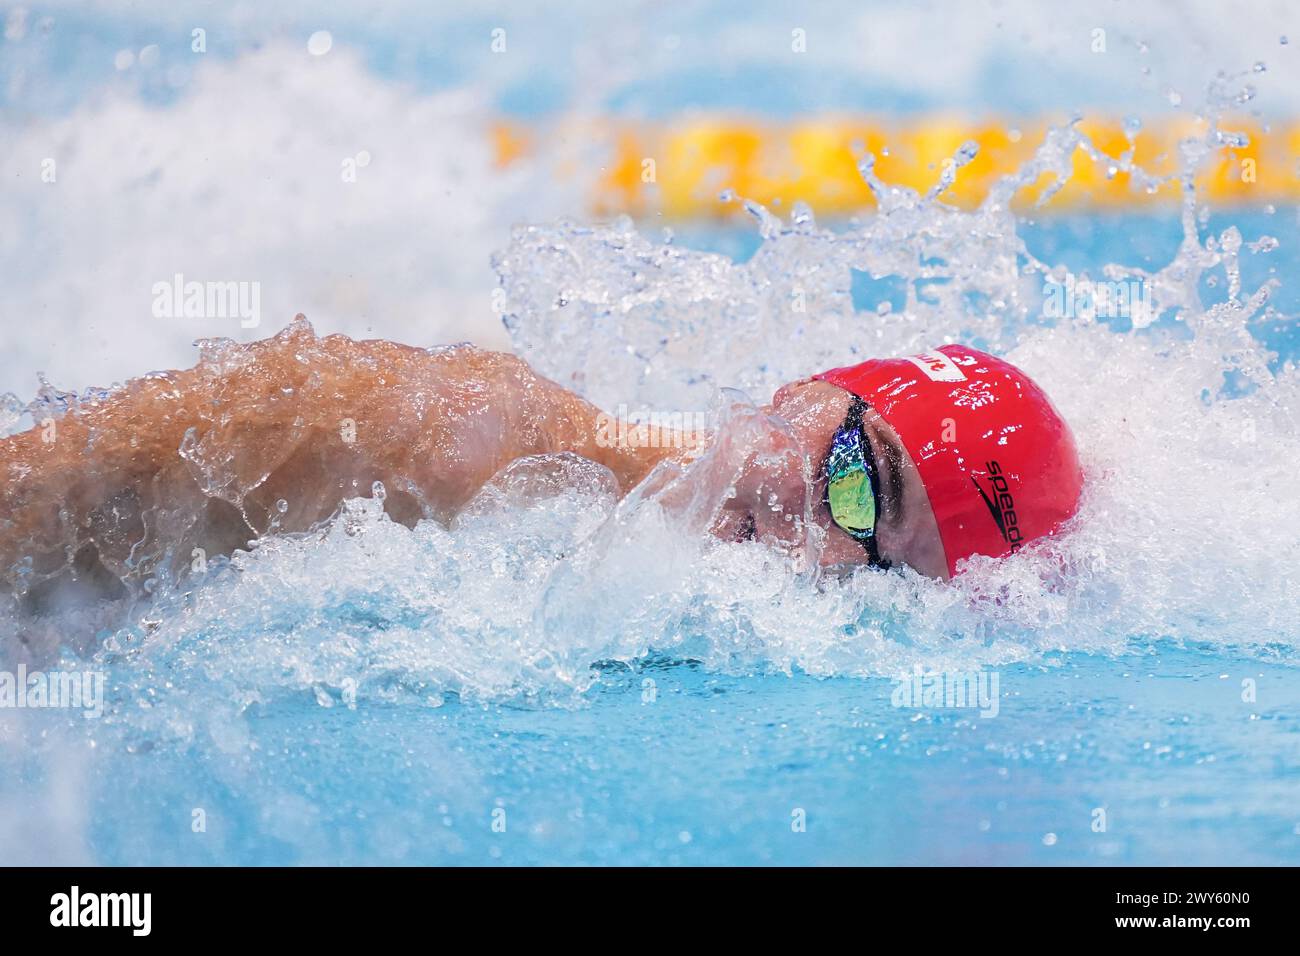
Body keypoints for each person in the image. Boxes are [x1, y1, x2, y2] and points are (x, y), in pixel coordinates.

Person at [0, 319, 1081, 618]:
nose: (818, 540)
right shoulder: (467, 437)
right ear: (807, 389)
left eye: (875, 561)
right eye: (855, 475)